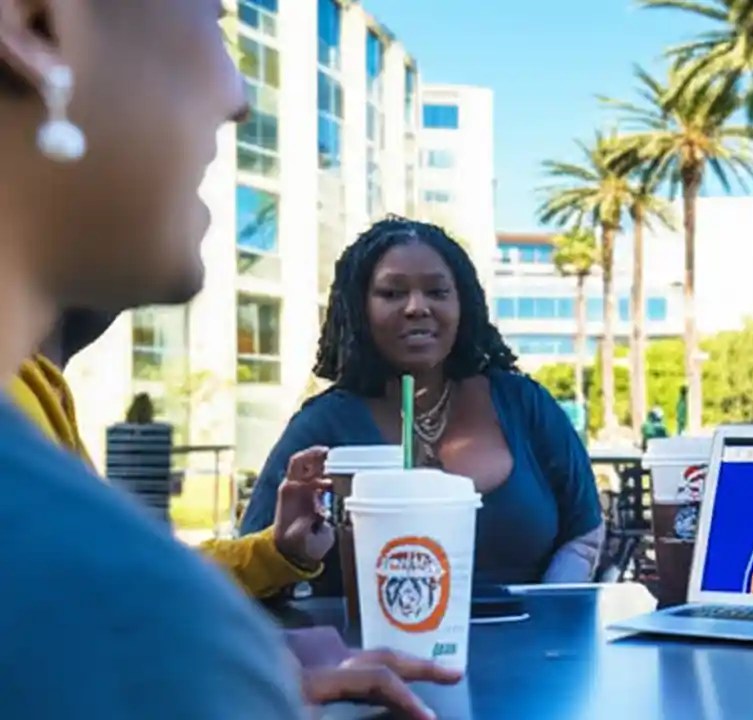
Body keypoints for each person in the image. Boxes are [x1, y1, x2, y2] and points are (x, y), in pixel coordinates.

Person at [0, 5, 456, 717]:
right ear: (34, 23)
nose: (236, 95)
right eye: (210, 16)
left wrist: (264, 575)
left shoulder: (32, 409)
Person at [241, 218, 604, 587]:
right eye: (392, 293)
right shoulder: (322, 425)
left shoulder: (523, 404)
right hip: (371, 643)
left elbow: (584, 530)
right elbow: (254, 564)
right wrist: (293, 553)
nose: (417, 307)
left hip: (531, 639)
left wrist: (549, 611)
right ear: (359, 310)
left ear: (463, 305)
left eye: (437, 291)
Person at [10, 308, 323, 599]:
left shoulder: (36, 391)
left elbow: (125, 579)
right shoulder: (12, 404)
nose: (202, 243)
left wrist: (277, 551)